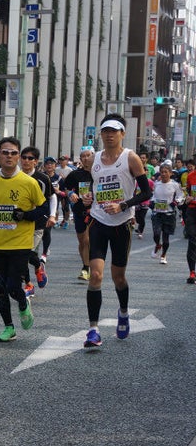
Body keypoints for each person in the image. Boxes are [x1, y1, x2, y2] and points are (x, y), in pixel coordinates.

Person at [83, 114, 152, 348]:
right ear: (100, 134)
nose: (109, 135)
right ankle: (93, 329)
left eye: (114, 131)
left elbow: (146, 193)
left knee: (118, 277)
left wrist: (123, 205)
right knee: (96, 275)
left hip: (122, 225)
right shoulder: (93, 160)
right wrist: (88, 197)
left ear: (122, 133)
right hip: (98, 221)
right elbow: (93, 187)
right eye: (105, 131)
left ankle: (123, 312)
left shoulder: (130, 158)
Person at [0, 137, 42, 342]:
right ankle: (8, 327)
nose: (9, 156)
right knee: (0, 288)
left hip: (20, 244)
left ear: (19, 156)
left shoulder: (29, 183)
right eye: (5, 152)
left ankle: (23, 303)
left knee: (13, 286)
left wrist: (25, 215)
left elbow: (42, 211)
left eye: (14, 153)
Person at [18, 146, 54, 297]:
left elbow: (52, 197)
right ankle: (28, 283)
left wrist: (52, 215)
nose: (26, 161)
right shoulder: (15, 176)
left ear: (36, 161)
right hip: (19, 222)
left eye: (30, 158)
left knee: (26, 253)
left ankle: (38, 267)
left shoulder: (42, 179)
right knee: (20, 255)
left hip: (38, 223)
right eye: (24, 157)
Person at [63, 147, 95, 280]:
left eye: (88, 155)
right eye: (83, 156)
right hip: (79, 210)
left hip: (95, 211)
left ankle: (87, 268)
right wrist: (71, 193)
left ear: (93, 156)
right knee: (82, 241)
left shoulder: (99, 172)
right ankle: (86, 264)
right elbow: (66, 188)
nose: (86, 158)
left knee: (88, 239)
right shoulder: (75, 174)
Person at [149, 162, 182, 265]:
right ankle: (157, 245)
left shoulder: (175, 185)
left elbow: (181, 196)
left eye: (166, 172)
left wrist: (175, 202)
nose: (163, 174)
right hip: (157, 213)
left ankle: (163, 255)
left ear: (170, 173)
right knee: (156, 234)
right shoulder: (157, 184)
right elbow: (153, 196)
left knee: (166, 239)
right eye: (162, 172)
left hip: (169, 214)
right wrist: (152, 202)